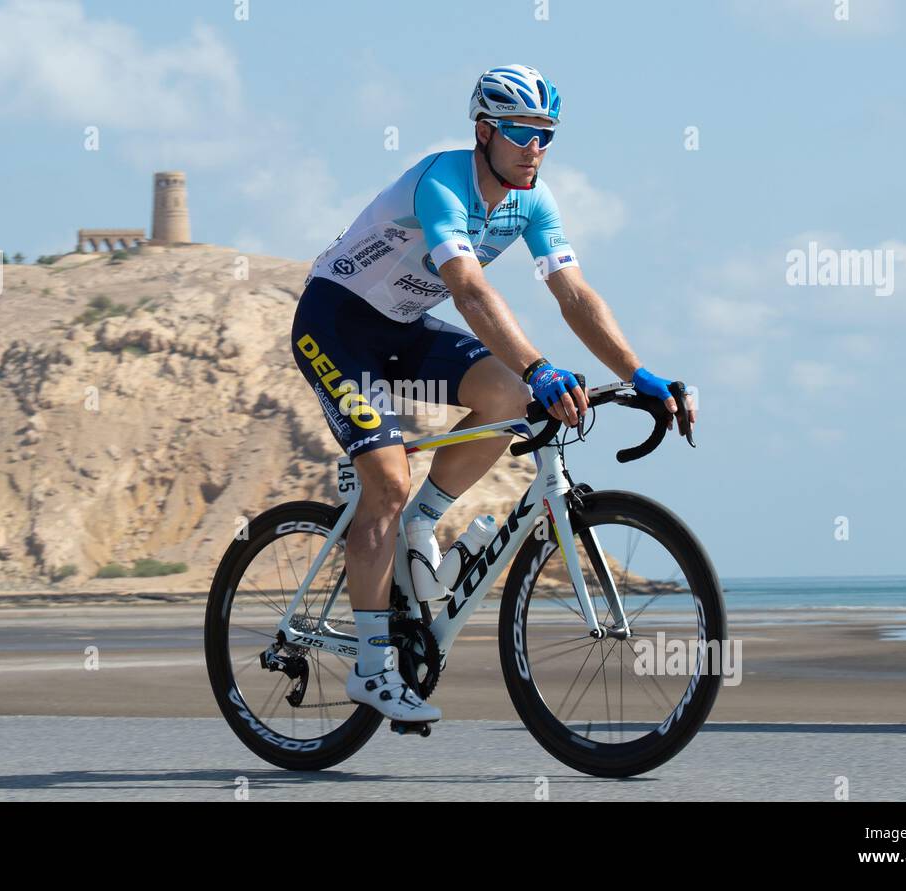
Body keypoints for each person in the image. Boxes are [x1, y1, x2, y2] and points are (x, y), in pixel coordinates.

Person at [290, 64, 696, 724]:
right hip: (335, 325)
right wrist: (540, 367)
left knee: (507, 398)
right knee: (386, 482)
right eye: (521, 132)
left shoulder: (533, 201)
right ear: (484, 132)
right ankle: (371, 668)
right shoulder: (442, 184)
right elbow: (471, 291)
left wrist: (640, 372)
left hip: (401, 327)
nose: (536, 147)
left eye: (546, 134)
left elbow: (574, 295)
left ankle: (422, 521)